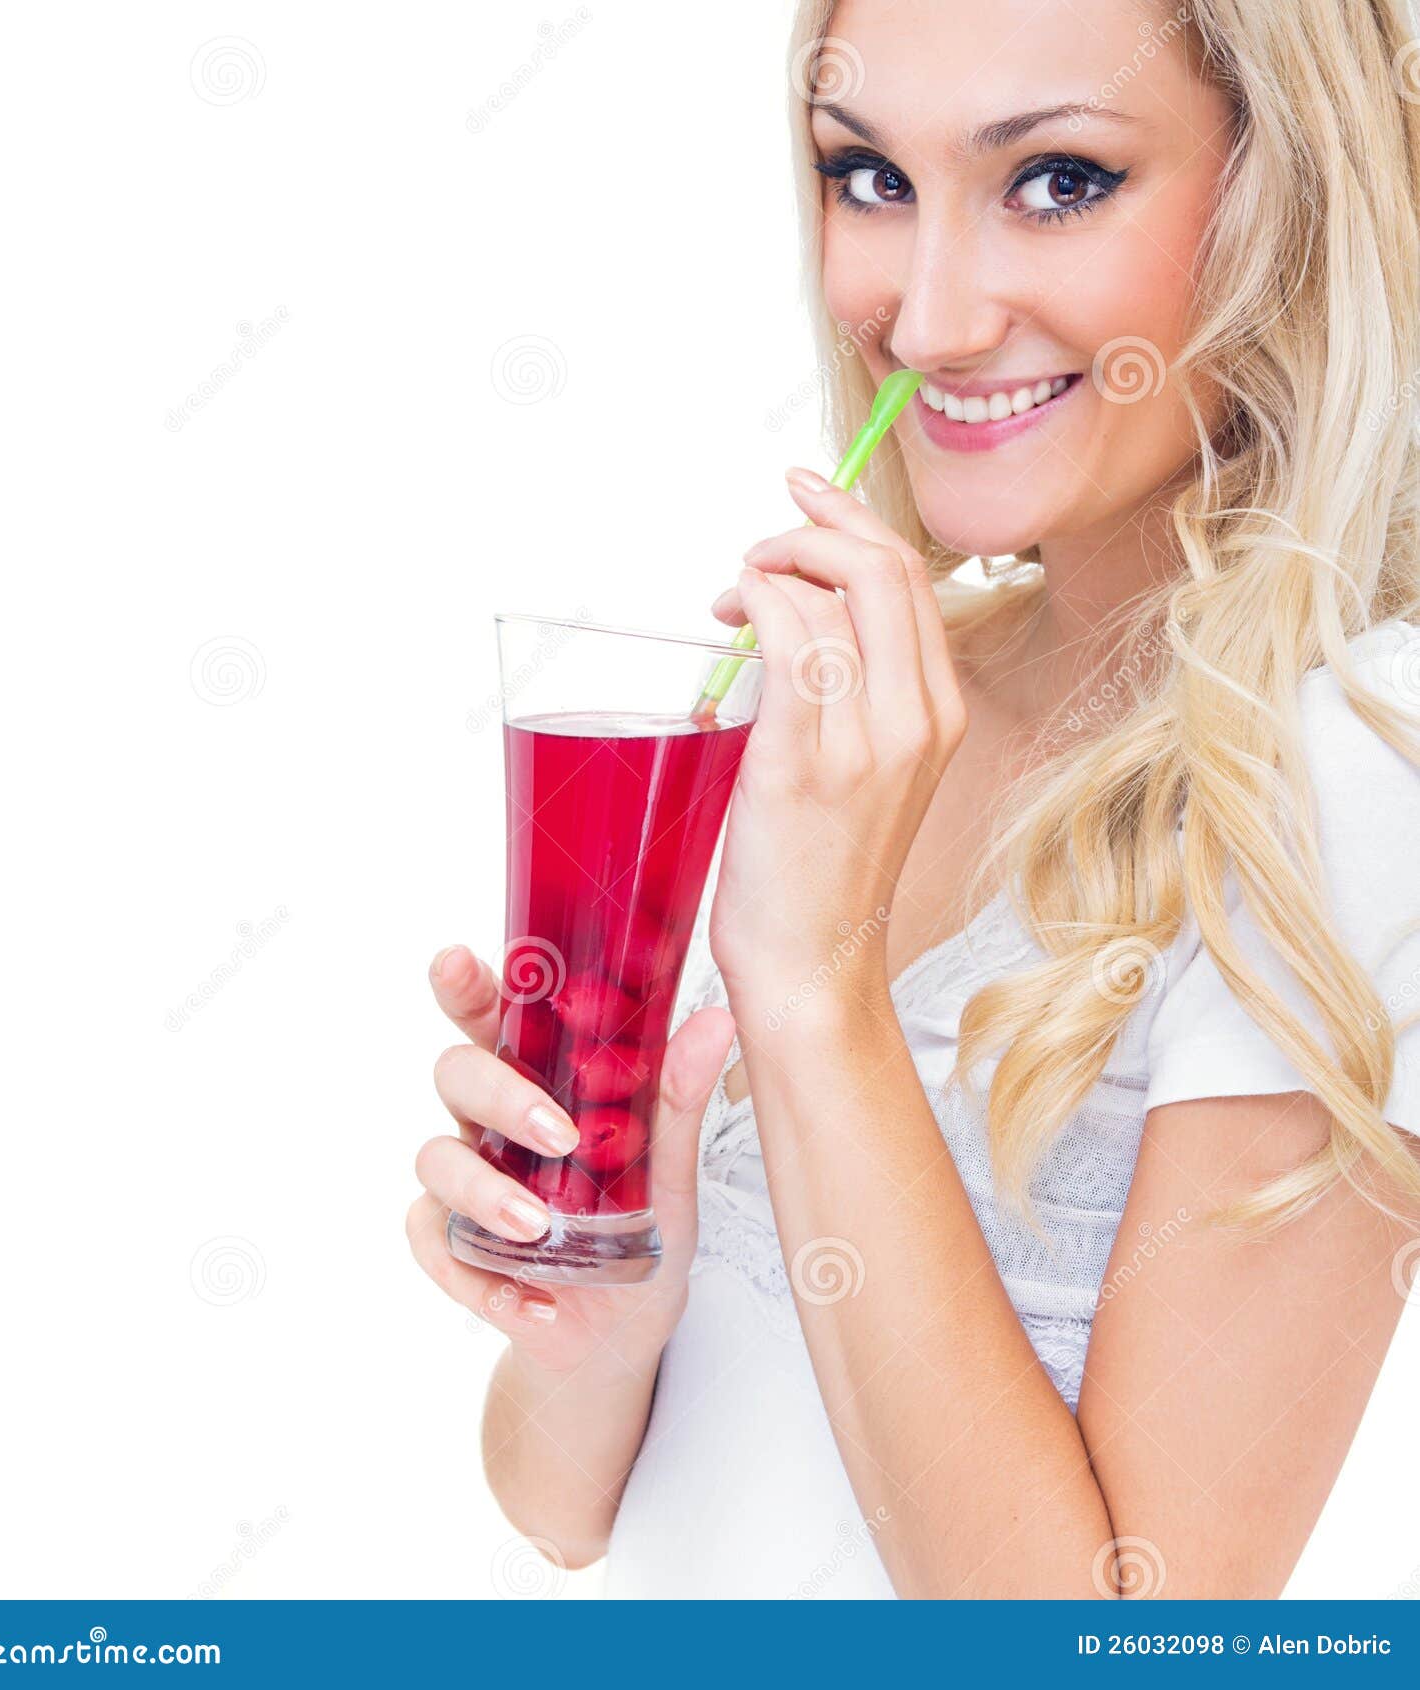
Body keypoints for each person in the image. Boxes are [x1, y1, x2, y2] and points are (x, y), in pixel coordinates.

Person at [409, 0, 1420, 1598]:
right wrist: (598, 1314)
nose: (931, 321)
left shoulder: (1356, 760)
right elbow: (561, 1505)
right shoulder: (857, 713)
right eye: (870, 177)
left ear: (1287, 204)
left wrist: (817, 995)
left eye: (1060, 181)